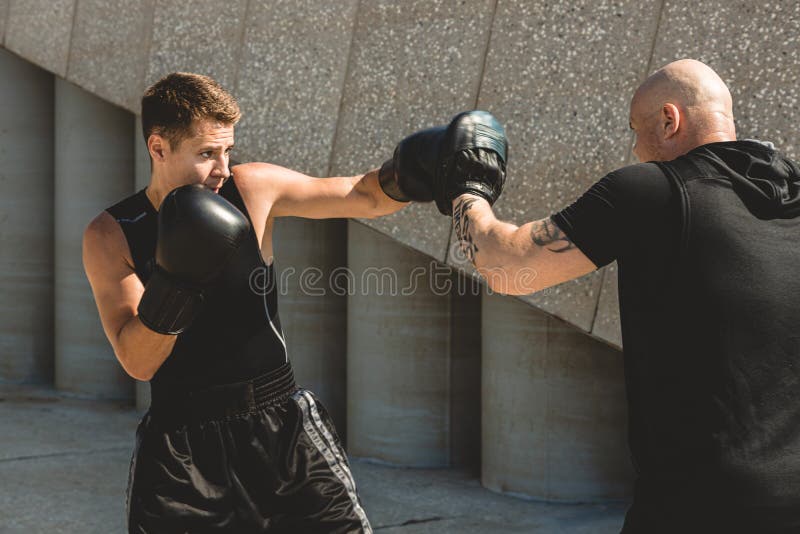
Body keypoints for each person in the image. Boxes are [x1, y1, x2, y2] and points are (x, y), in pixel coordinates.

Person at [82, 72, 507, 533]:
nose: (223, 167)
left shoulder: (251, 188)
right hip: (182, 451)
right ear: (158, 148)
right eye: (207, 154)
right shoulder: (112, 234)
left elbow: (363, 196)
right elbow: (137, 361)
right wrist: (176, 284)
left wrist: (419, 168)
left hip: (280, 429)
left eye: (227, 150)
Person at [444, 59, 800, 532]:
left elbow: (509, 267)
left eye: (637, 131)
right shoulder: (790, 196)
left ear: (670, 120)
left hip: (702, 506)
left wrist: (466, 193)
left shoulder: (656, 190)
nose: (635, 149)